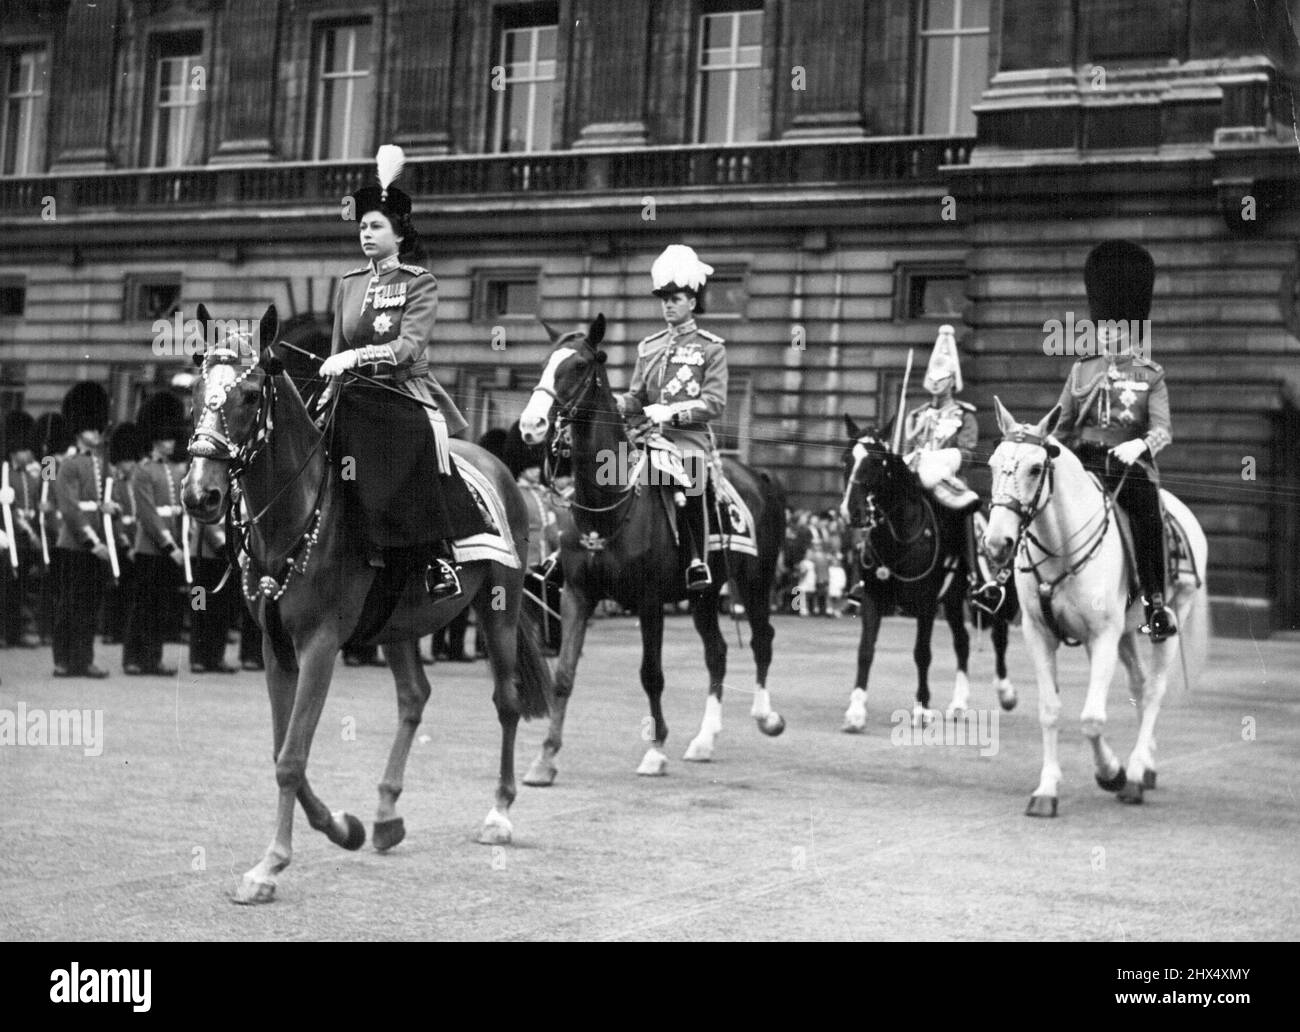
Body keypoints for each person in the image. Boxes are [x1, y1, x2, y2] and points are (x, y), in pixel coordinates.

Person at [317, 144, 488, 602]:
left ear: (398, 234)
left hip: (402, 391)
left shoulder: (418, 281)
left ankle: (436, 555)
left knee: (416, 438)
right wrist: (330, 384)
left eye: (376, 227)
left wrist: (356, 359)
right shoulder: (350, 283)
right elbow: (338, 343)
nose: (366, 234)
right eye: (362, 227)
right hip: (351, 393)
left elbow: (410, 345)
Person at [1055, 240, 1176, 641]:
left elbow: (1162, 431)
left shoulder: (1150, 374)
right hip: (1084, 459)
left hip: (1128, 464)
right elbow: (1063, 424)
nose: (1106, 334)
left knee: (1146, 510)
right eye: (1102, 328)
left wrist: (1140, 446)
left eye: (1114, 329)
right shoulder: (1080, 372)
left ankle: (1155, 602)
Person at [617, 244, 727, 592]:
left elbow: (714, 403)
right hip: (647, 439)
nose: (667, 304)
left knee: (690, 478)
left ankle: (696, 560)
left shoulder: (711, 348)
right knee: (607, 470)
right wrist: (615, 403)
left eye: (674, 298)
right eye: (663, 298)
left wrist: (674, 413)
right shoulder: (648, 346)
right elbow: (636, 398)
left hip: (687, 441)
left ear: (692, 302)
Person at [51, 382, 114, 678]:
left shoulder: (101, 464)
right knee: (69, 604)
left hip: (96, 541)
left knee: (89, 606)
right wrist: (93, 542)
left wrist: (111, 509)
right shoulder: (69, 465)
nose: (96, 433)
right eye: (90, 428)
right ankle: (64, 660)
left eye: (97, 427)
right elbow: (71, 509)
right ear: (78, 430)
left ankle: (84, 659)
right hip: (75, 543)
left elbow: (100, 503)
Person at [123, 392, 186, 676]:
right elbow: (147, 515)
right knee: (142, 606)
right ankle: (133, 659)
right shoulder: (143, 471)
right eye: (167, 438)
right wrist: (169, 545)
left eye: (173, 437)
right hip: (150, 548)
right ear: (156, 439)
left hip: (170, 546)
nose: (171, 443)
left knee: (160, 607)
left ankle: (153, 658)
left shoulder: (174, 471)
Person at [1, 410, 42, 648]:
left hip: (29, 538)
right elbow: (12, 509)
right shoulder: (5, 473)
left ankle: (19, 631)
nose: (31, 454)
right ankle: (6, 632)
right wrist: (28, 531)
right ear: (16, 449)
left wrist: (49, 460)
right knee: (9, 587)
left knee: (25, 587)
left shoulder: (32, 474)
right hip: (13, 536)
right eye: (27, 449)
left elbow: (45, 491)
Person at [103, 421, 145, 646]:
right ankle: (111, 630)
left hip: (136, 542)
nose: (129, 466)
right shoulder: (115, 485)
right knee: (116, 588)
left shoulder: (135, 483)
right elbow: (115, 520)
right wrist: (126, 545)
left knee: (129, 591)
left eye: (131, 461)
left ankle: (122, 630)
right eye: (126, 461)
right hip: (120, 544)